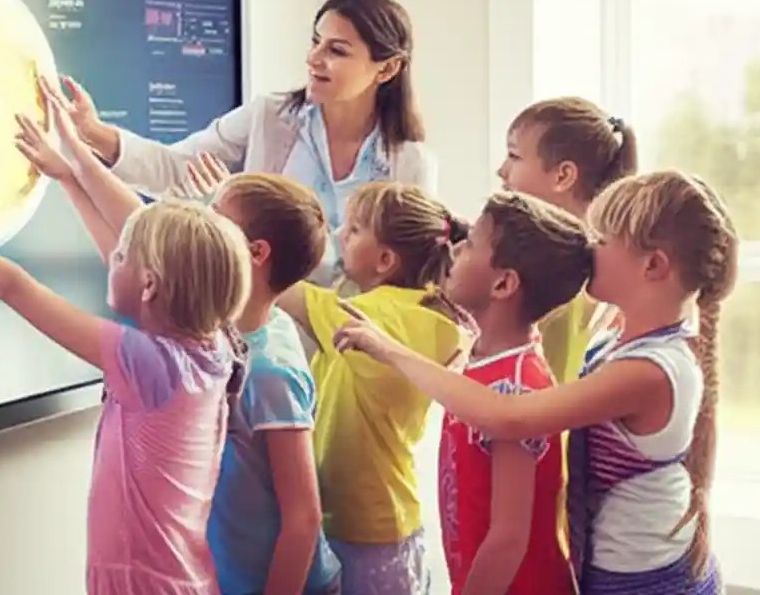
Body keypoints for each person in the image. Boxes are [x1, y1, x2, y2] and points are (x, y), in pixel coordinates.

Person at [0, 84, 253, 594]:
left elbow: (11, 284)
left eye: (120, 256)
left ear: (149, 286)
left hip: (142, 585)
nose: (110, 255)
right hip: (184, 577)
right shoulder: (212, 347)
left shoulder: (147, 364)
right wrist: (70, 174)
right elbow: (144, 244)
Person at [335, 171, 738, 595]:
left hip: (647, 583)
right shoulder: (618, 342)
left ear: (653, 266)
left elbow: (508, 417)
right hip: (610, 572)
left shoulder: (651, 371)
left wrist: (387, 348)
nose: (590, 250)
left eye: (601, 240)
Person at [55, 0, 438, 286]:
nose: (314, 58)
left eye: (336, 50)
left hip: (346, 346)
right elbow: (174, 169)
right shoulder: (269, 118)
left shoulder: (410, 166)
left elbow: (405, 282)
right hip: (259, 328)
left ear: (387, 69)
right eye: (315, 41)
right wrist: (93, 131)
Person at [274, 181, 472, 594]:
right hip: (389, 518)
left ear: (385, 260)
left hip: (361, 527)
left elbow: (273, 284)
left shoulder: (367, 318)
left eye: (355, 229)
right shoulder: (431, 314)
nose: (340, 234)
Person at [407, 192, 590, 594]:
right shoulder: (484, 359)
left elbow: (508, 539)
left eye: (471, 243)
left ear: (504, 284)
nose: (456, 249)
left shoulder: (517, 386)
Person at [204, 173, 342, 595]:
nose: (200, 226)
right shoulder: (255, 323)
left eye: (215, 219)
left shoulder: (269, 373)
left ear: (257, 253)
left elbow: (303, 519)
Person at [496, 96, 638, 383]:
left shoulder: (559, 272)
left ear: (563, 175)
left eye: (514, 156)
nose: (501, 170)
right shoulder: (598, 262)